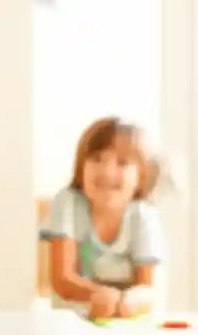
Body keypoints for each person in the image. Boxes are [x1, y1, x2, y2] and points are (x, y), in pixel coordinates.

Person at [38, 117, 166, 320]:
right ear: (81, 167)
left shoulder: (143, 216)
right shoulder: (68, 203)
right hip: (72, 324)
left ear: (142, 176)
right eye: (96, 159)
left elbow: (148, 287)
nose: (107, 171)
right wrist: (97, 296)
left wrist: (129, 301)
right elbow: (62, 280)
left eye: (122, 163)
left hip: (125, 326)